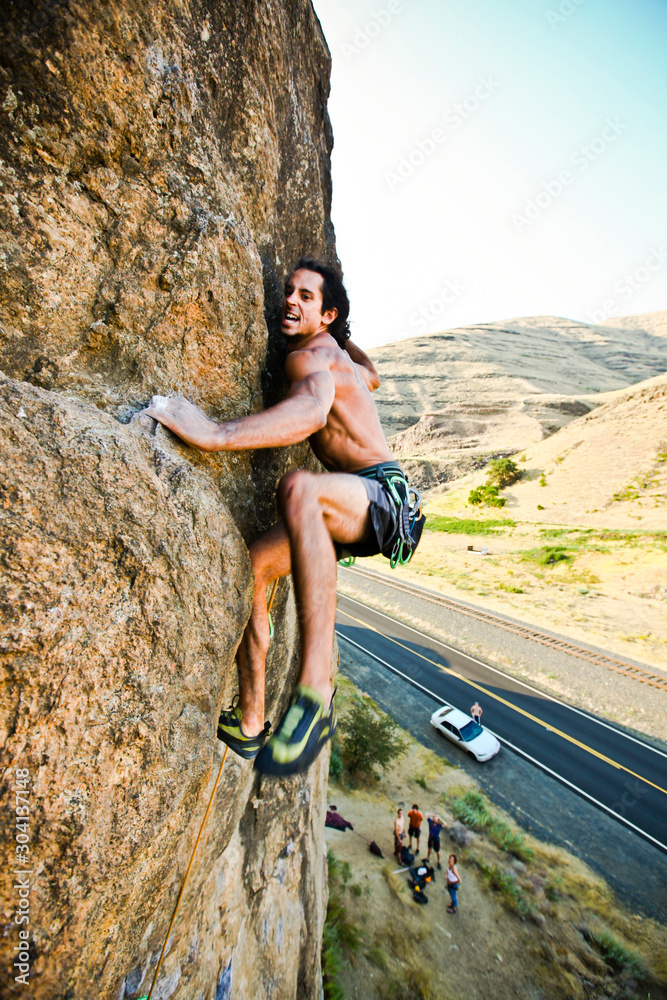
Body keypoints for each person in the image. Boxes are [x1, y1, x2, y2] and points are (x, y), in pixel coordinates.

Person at [143, 258, 423, 776]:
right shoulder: (340, 357)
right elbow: (374, 376)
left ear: (326, 315)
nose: (290, 300)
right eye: (288, 291)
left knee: (299, 489)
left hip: (383, 495)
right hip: (374, 506)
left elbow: (313, 413)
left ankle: (315, 687)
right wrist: (343, 334)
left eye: (306, 297)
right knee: (255, 568)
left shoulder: (311, 357)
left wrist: (215, 433)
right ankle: (250, 720)